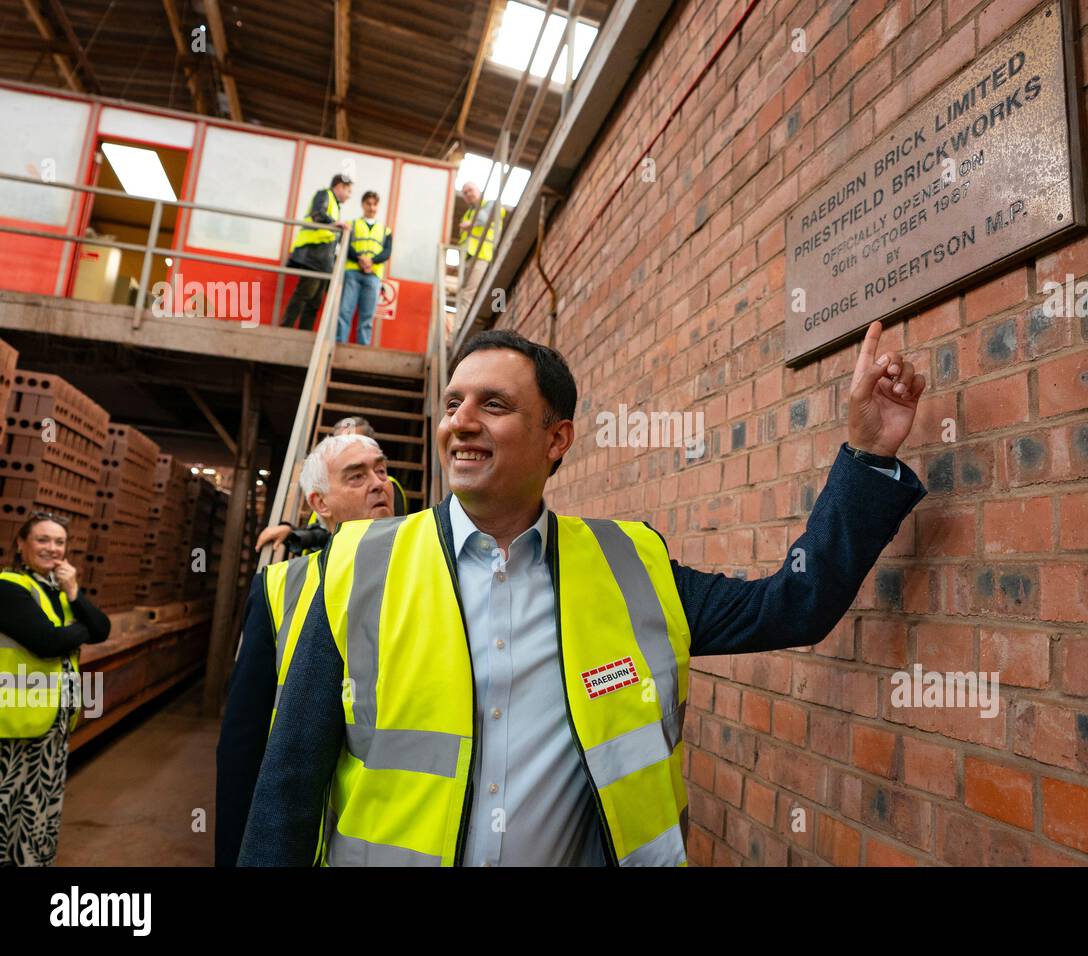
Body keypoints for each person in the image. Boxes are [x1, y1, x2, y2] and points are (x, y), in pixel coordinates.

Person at [240, 321, 926, 867]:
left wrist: (867, 455)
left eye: (495, 405)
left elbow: (794, 606)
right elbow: (287, 792)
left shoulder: (632, 565)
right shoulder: (360, 565)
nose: (461, 421)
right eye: (454, 404)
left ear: (556, 438)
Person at [215, 432, 395, 866]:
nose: (378, 483)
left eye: (382, 470)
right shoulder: (279, 587)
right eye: (356, 476)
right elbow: (244, 739)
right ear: (320, 504)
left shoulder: (434, 577)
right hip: (310, 840)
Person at [0, 513, 111, 866]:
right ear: (21, 544)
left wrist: (75, 593)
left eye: (59, 542)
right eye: (42, 540)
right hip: (11, 724)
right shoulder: (9, 587)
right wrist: (80, 629)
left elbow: (102, 629)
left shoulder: (57, 592)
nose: (52, 548)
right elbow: (47, 642)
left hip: (50, 726)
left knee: (39, 812)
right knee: (6, 810)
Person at [254, 416, 408, 558]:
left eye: (355, 440)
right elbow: (324, 530)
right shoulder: (326, 488)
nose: (345, 446)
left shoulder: (386, 486)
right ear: (319, 503)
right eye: (338, 442)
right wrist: (293, 533)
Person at [281, 173, 352, 331]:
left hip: (323, 259)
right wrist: (335, 223)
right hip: (312, 255)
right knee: (305, 293)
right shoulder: (324, 195)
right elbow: (317, 214)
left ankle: (304, 332)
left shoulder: (334, 204)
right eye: (348, 191)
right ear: (339, 186)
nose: (349, 195)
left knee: (315, 301)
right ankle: (286, 328)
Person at [336, 191, 393, 346]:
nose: (371, 207)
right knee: (345, 311)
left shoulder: (385, 230)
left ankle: (363, 347)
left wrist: (371, 261)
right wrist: (360, 259)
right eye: (368, 203)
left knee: (367, 315)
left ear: (378, 206)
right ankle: (340, 343)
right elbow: (345, 245)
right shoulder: (352, 224)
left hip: (373, 276)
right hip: (352, 273)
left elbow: (387, 252)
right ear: (362, 205)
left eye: (374, 204)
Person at [456, 181, 507, 320]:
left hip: (483, 255)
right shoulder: (467, 214)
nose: (468, 194)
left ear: (479, 190)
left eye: (470, 190)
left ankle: (459, 328)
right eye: (464, 193)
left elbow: (484, 219)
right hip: (470, 258)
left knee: (468, 295)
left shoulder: (491, 204)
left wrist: (470, 225)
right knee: (465, 294)